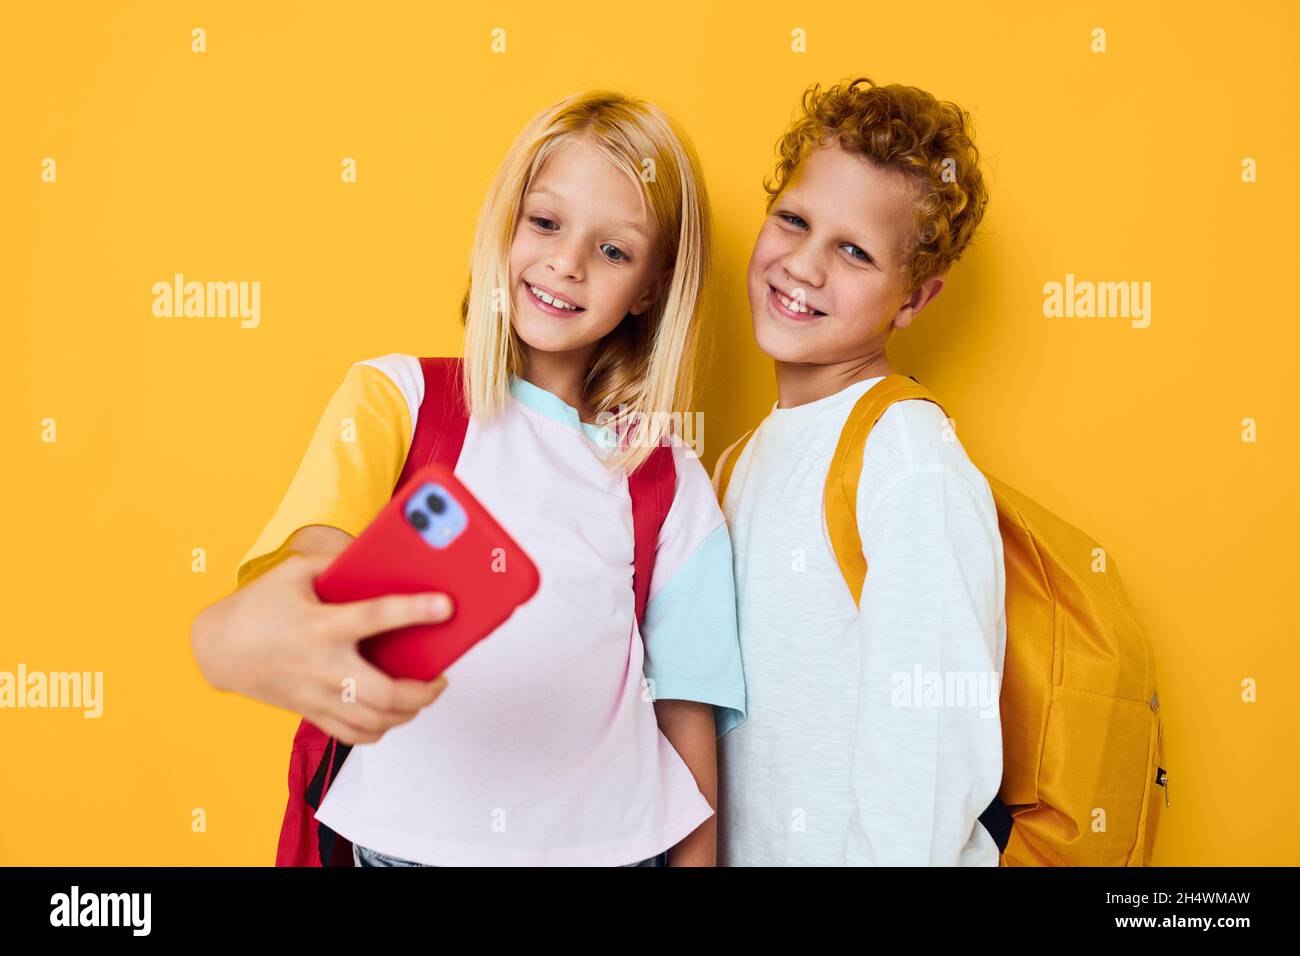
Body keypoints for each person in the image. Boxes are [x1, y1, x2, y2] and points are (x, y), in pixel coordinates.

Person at [191, 90, 746, 867]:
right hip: (394, 848)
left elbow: (688, 725)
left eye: (613, 251)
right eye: (546, 223)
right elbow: (316, 559)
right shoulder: (399, 398)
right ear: (507, 222)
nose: (566, 262)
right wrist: (262, 626)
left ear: (651, 289)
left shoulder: (666, 477)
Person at [712, 76, 1006, 866]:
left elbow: (932, 747)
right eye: (794, 220)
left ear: (914, 300)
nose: (803, 266)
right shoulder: (741, 460)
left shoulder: (904, 455)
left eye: (854, 251)